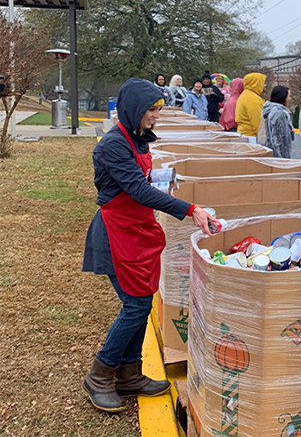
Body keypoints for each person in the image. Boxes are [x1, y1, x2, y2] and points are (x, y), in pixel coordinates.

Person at [81, 79, 217, 413]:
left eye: (157, 109)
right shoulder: (112, 145)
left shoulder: (135, 138)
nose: (156, 116)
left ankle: (129, 374)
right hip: (116, 234)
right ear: (133, 110)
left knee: (140, 300)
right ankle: (100, 374)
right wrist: (190, 209)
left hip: (136, 230)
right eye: (151, 111)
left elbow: (143, 184)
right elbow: (138, 192)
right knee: (136, 305)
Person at [261, 86, 294, 158]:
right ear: (283, 97)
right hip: (279, 156)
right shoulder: (278, 113)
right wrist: (280, 159)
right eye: (289, 96)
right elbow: (277, 138)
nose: (290, 99)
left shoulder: (274, 111)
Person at [235, 72, 266, 139]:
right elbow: (258, 123)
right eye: (262, 83)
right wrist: (264, 139)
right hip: (251, 137)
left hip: (244, 135)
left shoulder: (246, 95)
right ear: (256, 83)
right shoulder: (252, 99)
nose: (264, 85)